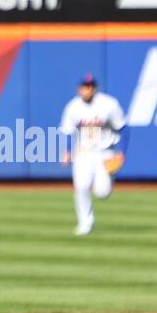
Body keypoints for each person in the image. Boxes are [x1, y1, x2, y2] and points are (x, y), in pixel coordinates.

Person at [59, 74, 126, 237]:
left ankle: (109, 179)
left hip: (105, 152)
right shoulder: (73, 107)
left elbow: (123, 127)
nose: (87, 89)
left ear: (94, 88)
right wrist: (68, 151)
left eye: (90, 86)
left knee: (102, 192)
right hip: (83, 153)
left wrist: (122, 152)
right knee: (81, 186)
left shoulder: (109, 104)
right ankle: (85, 223)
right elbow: (68, 131)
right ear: (79, 89)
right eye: (84, 86)